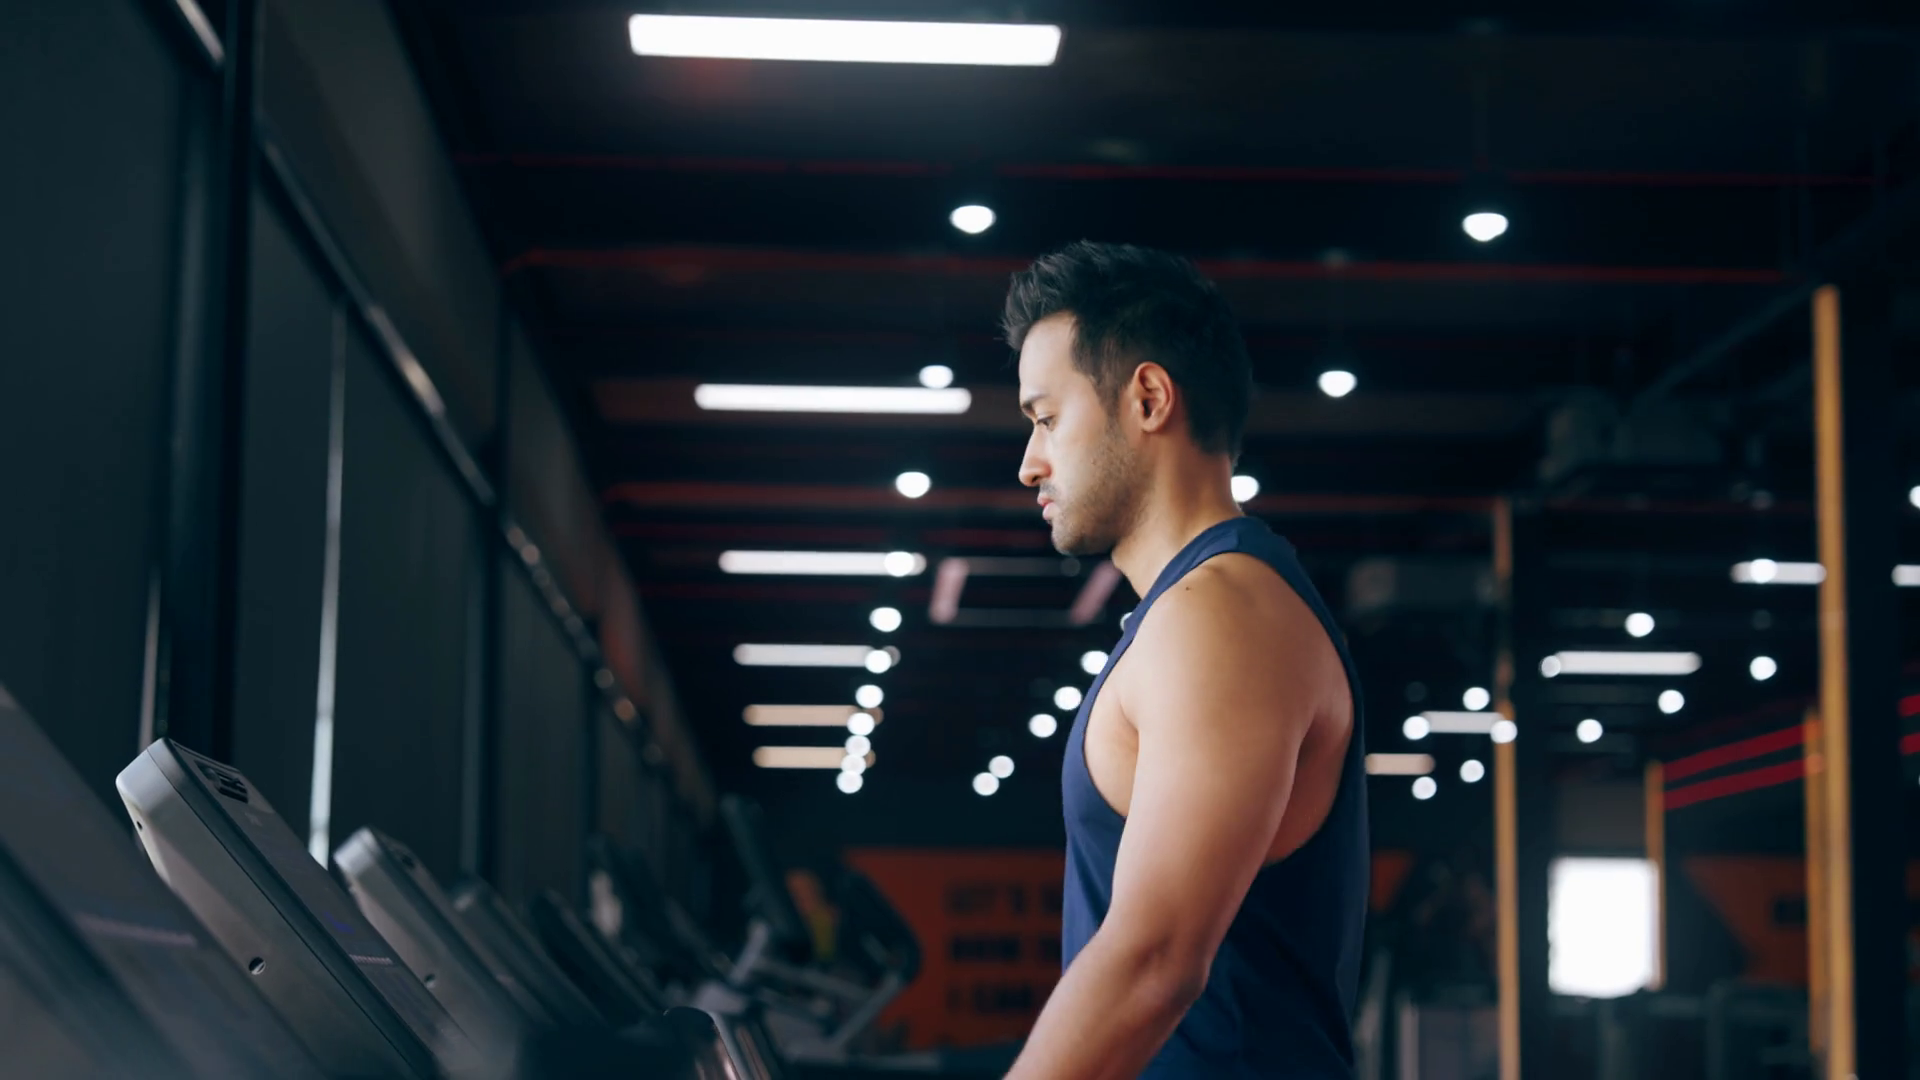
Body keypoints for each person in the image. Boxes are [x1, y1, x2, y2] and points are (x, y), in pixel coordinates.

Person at [1000, 242, 1369, 1079]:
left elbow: (1154, 961)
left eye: (1046, 418)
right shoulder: (1193, 611)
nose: (1029, 464)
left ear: (1149, 398)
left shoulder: (1220, 614)